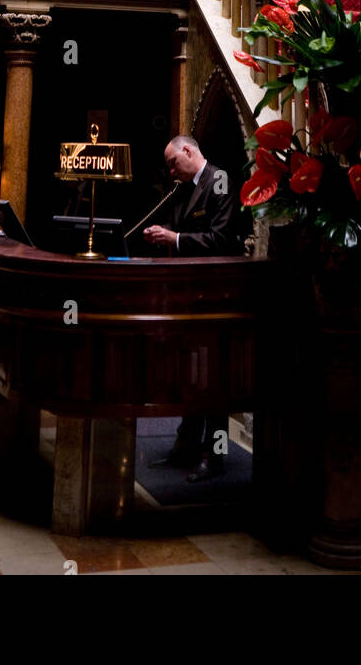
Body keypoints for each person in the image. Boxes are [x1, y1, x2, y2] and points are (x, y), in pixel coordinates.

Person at [143, 134, 240, 481]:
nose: (171, 171)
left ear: (188, 150)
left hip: (217, 298)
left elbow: (221, 239)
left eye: (173, 162)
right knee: (193, 377)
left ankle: (214, 458)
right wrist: (165, 234)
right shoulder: (186, 188)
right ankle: (185, 448)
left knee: (215, 382)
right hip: (190, 296)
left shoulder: (220, 180)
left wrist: (174, 239)